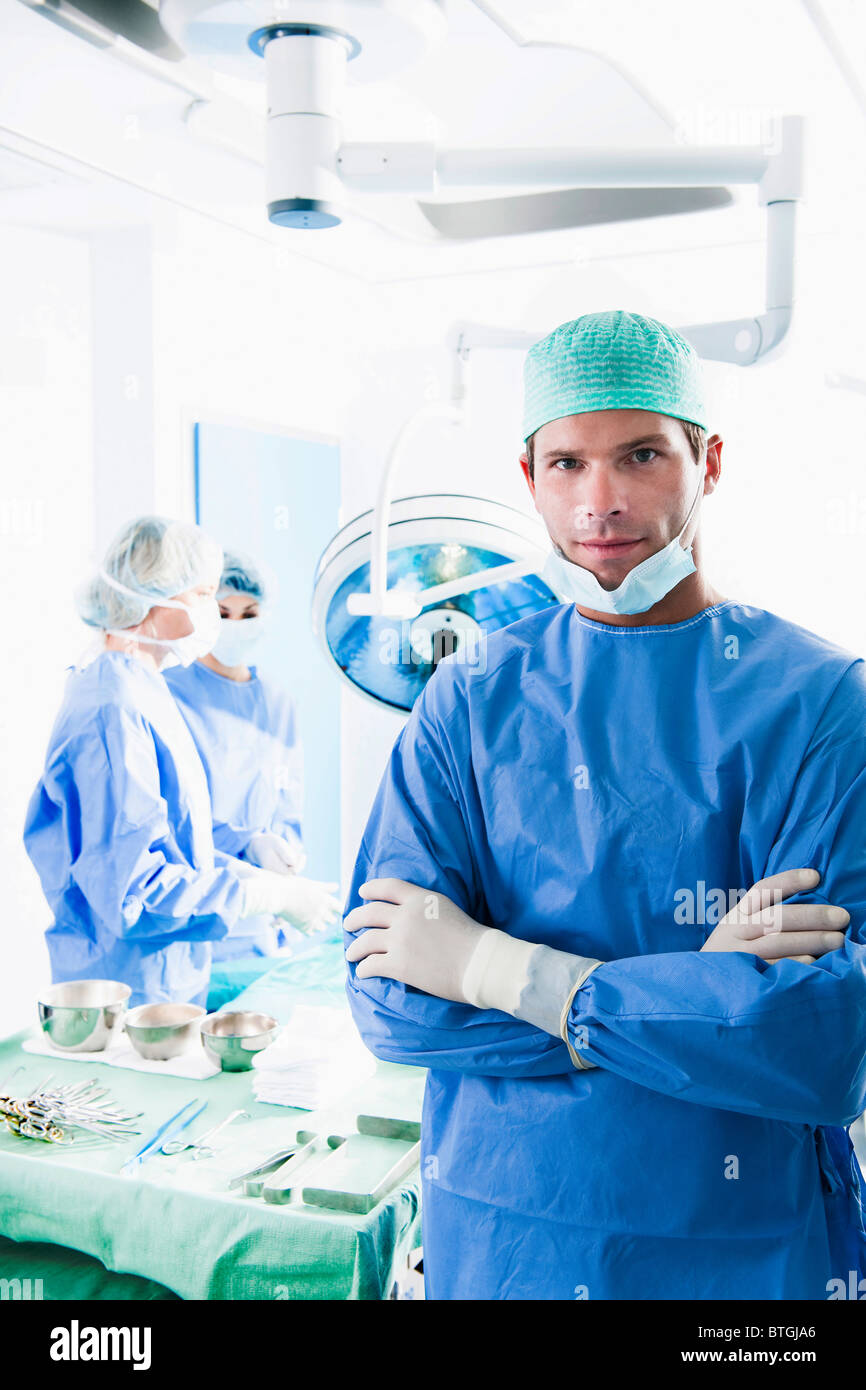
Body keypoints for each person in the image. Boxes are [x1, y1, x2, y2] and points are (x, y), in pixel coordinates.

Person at [342, 310, 866, 1300]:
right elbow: (388, 997)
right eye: (565, 464)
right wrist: (690, 999)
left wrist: (485, 964)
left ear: (706, 461)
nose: (601, 500)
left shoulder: (819, 701)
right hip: (510, 1237)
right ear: (526, 477)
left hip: (736, 1251)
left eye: (639, 455)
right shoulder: (467, 697)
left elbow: (820, 1044)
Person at [24, 516, 340, 1009]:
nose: (212, 617)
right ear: (155, 598)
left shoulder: (140, 689)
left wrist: (250, 862)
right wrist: (264, 898)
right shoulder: (113, 708)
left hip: (164, 983)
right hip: (123, 995)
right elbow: (133, 893)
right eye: (204, 595)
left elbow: (165, 842)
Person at [163, 552, 312, 980]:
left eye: (249, 614)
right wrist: (247, 843)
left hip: (262, 924)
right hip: (196, 910)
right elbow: (172, 819)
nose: (235, 624)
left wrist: (284, 854)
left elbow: (288, 801)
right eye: (222, 612)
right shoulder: (170, 694)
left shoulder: (278, 703)